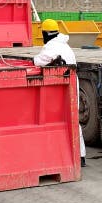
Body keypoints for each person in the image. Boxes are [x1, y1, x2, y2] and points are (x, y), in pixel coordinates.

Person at [33, 18, 87, 167]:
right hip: (71, 82)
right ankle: (80, 155)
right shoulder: (64, 45)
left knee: (59, 119)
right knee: (73, 118)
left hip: (62, 86)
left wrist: (33, 60)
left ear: (46, 33)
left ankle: (62, 153)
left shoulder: (52, 46)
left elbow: (39, 61)